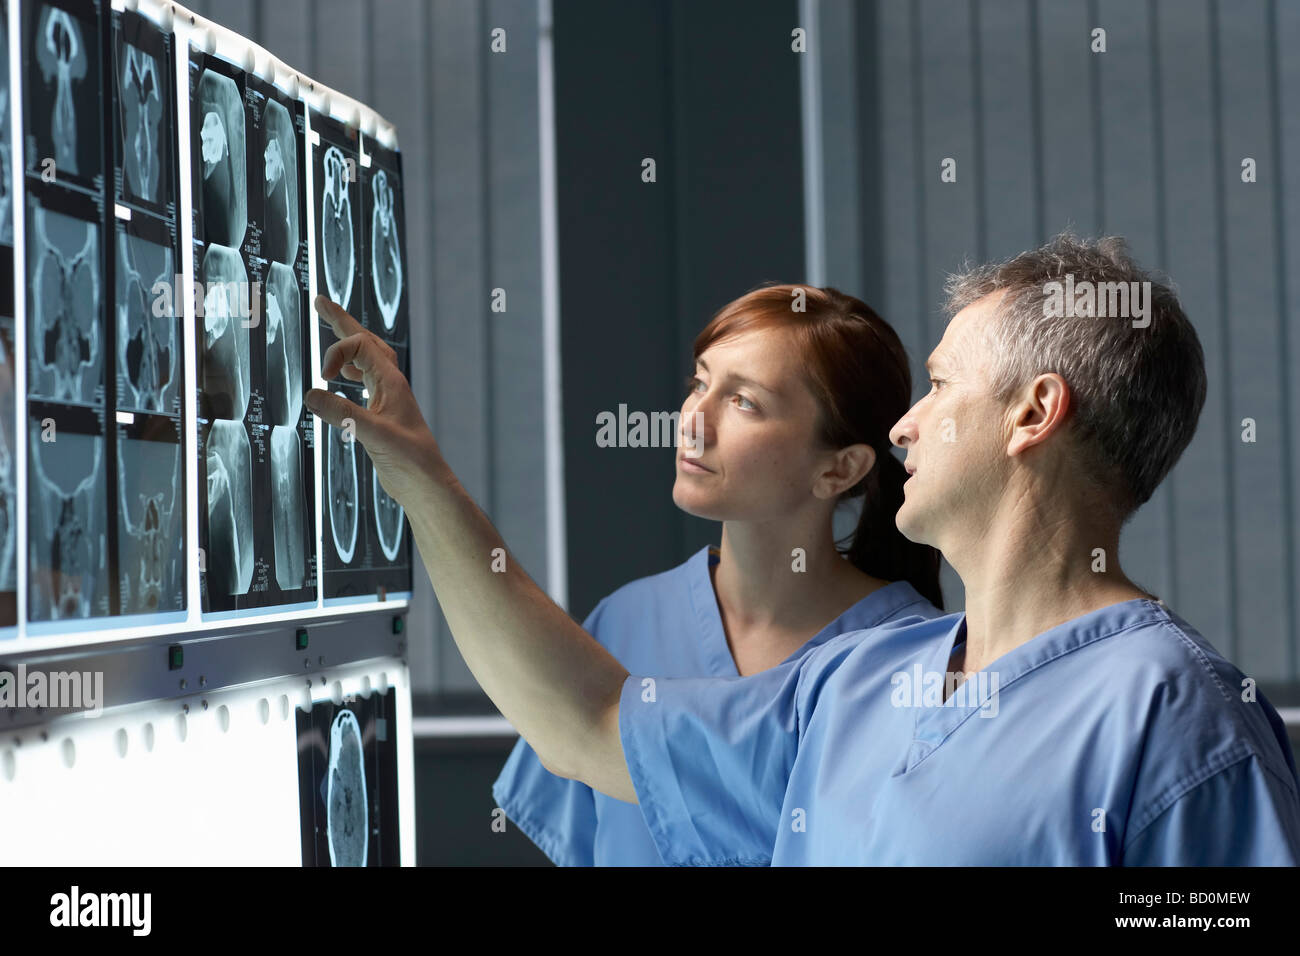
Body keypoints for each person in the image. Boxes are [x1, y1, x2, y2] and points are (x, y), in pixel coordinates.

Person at [306, 233, 1300, 865]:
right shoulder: (859, 682)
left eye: (943, 387)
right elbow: (591, 719)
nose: (904, 425)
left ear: (1033, 414)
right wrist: (421, 477)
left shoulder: (1178, 720)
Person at [491, 284, 944, 865]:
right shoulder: (625, 621)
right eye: (700, 384)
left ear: (840, 468)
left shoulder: (911, 661)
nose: (692, 422)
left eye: (744, 402)